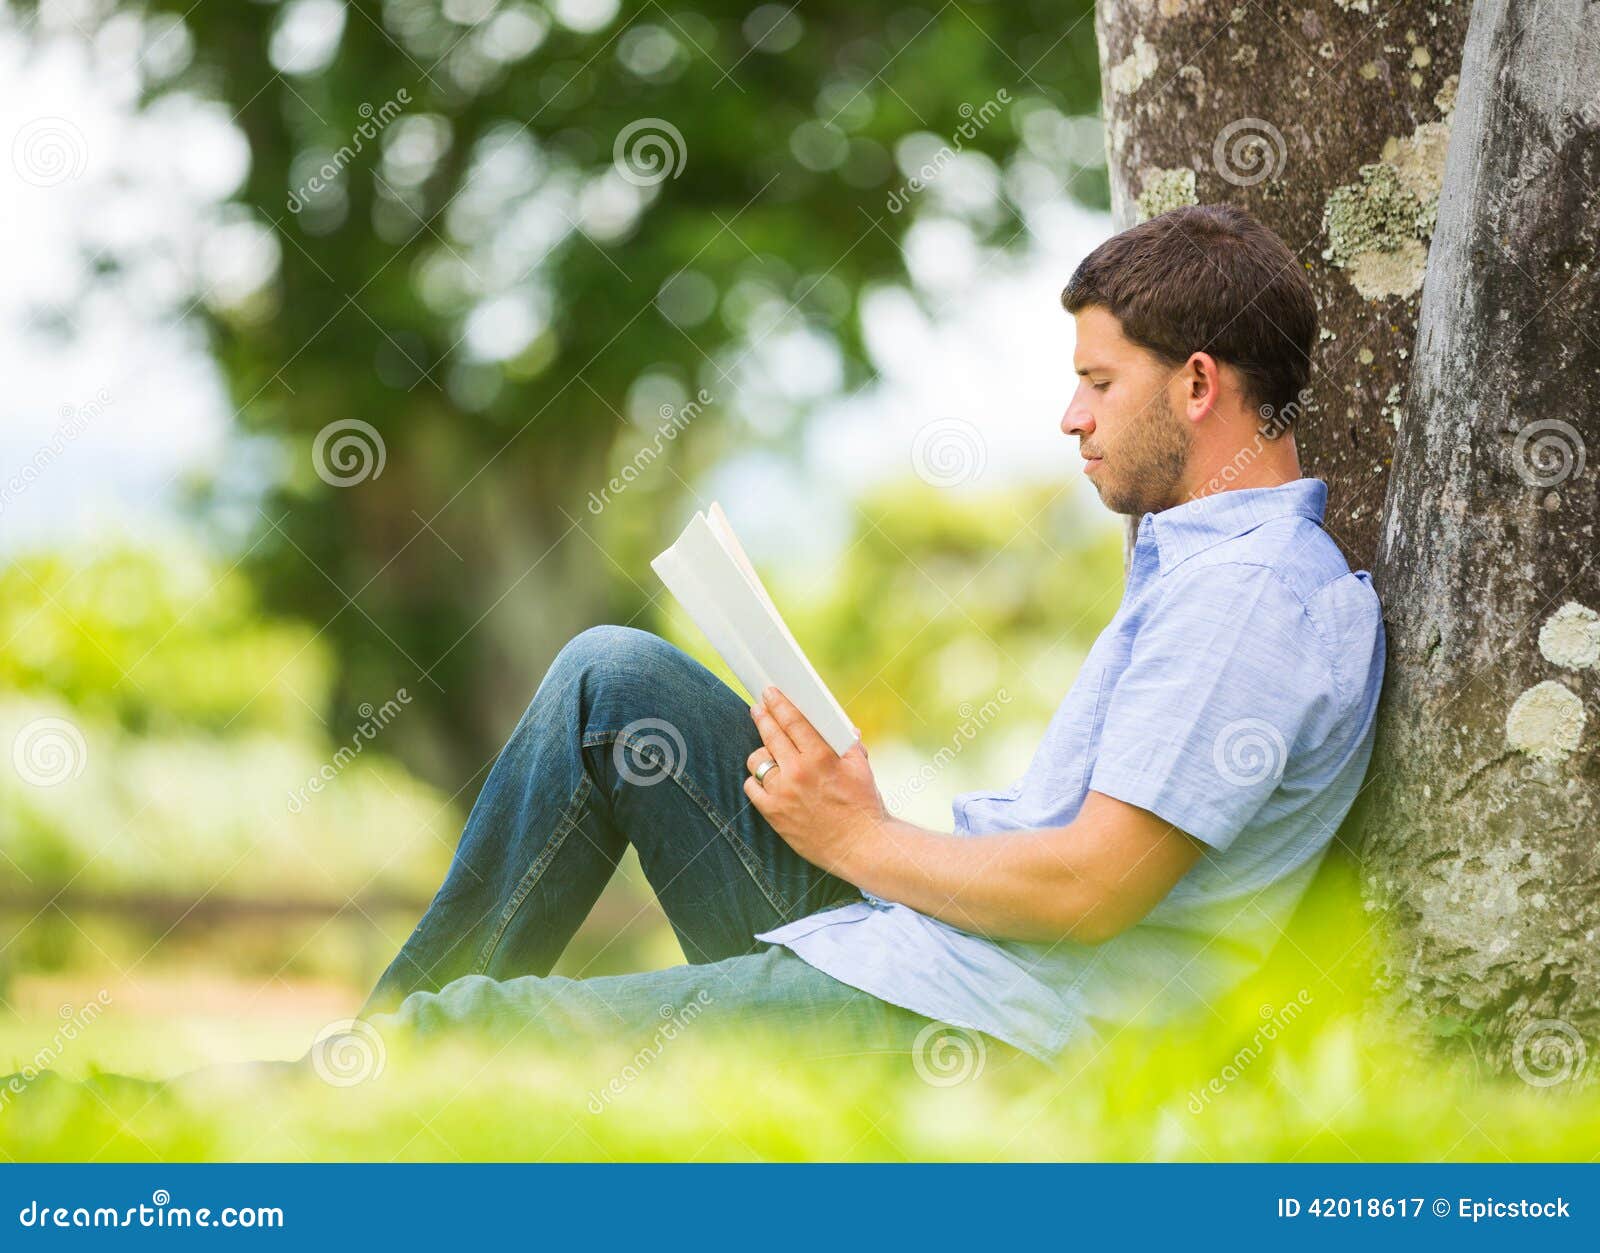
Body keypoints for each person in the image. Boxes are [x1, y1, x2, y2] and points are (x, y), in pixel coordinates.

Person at [355, 203, 1384, 1068]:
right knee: (612, 683)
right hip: (937, 955)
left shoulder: (1248, 595)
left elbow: (1092, 887)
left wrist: (858, 839)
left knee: (493, 1032)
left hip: (986, 1028)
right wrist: (865, 828)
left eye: (1100, 382)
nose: (1071, 416)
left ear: (1198, 385)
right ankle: (369, 1055)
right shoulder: (1204, 564)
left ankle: (331, 1096)